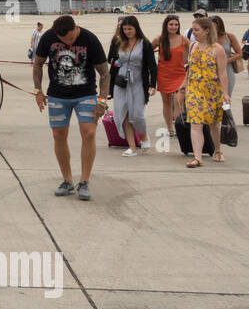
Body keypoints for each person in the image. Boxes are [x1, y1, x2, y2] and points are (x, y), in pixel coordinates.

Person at [32, 14, 110, 200]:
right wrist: (38, 91)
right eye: (64, 40)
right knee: (58, 135)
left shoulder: (89, 39)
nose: (68, 42)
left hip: (86, 94)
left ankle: (84, 181)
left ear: (76, 28)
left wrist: (103, 100)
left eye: (71, 39)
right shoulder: (48, 37)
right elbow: (38, 65)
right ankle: (67, 180)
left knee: (89, 133)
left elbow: (104, 73)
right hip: (58, 95)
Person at [107, 15, 157, 157]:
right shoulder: (118, 42)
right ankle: (132, 147)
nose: (127, 31)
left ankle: (144, 136)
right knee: (123, 114)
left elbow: (152, 66)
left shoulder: (144, 44)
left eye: (130, 28)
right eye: (124, 29)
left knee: (137, 115)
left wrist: (153, 85)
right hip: (121, 81)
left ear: (136, 28)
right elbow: (111, 60)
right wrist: (115, 62)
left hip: (138, 81)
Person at [184, 17, 227, 167]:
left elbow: (222, 73)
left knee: (214, 124)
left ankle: (218, 149)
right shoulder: (192, 46)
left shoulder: (217, 49)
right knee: (196, 123)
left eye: (197, 30)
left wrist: (225, 93)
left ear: (207, 30)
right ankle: (198, 157)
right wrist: (184, 84)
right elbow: (189, 67)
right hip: (194, 89)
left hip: (212, 90)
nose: (194, 33)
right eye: (193, 30)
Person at [152, 15, 187, 133]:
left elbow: (193, 52)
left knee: (178, 101)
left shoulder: (183, 39)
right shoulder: (159, 39)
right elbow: (147, 51)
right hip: (163, 75)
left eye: (176, 24)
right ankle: (169, 128)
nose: (174, 27)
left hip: (179, 75)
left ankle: (179, 128)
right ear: (166, 26)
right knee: (166, 102)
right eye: (171, 24)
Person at [212, 16, 241, 108]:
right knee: (212, 99)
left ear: (219, 26)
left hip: (227, 70)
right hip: (211, 70)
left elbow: (239, 53)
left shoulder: (229, 37)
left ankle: (227, 120)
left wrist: (226, 61)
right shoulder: (207, 38)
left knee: (226, 98)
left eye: (214, 26)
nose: (212, 29)